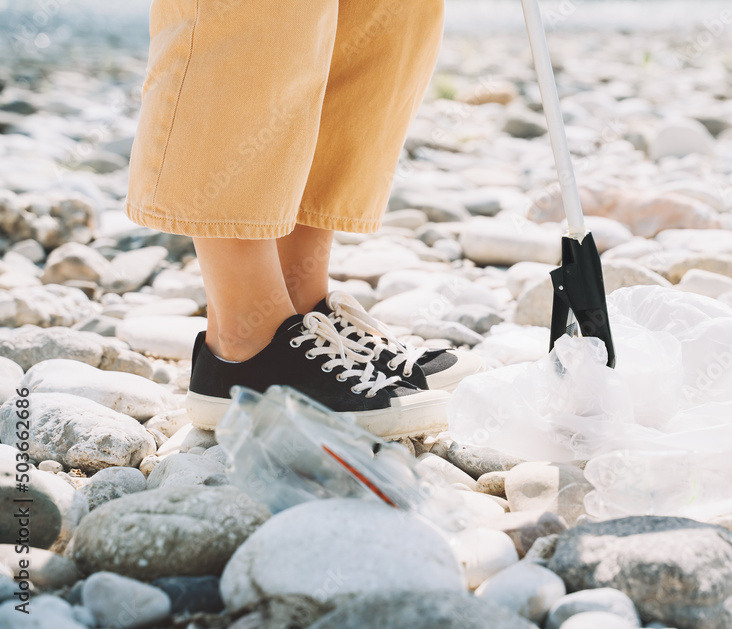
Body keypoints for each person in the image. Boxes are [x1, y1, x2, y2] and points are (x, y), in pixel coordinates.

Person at [124, 0, 482, 439]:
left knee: (385, 18)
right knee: (265, 16)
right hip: (245, 346)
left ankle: (304, 309)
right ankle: (245, 338)